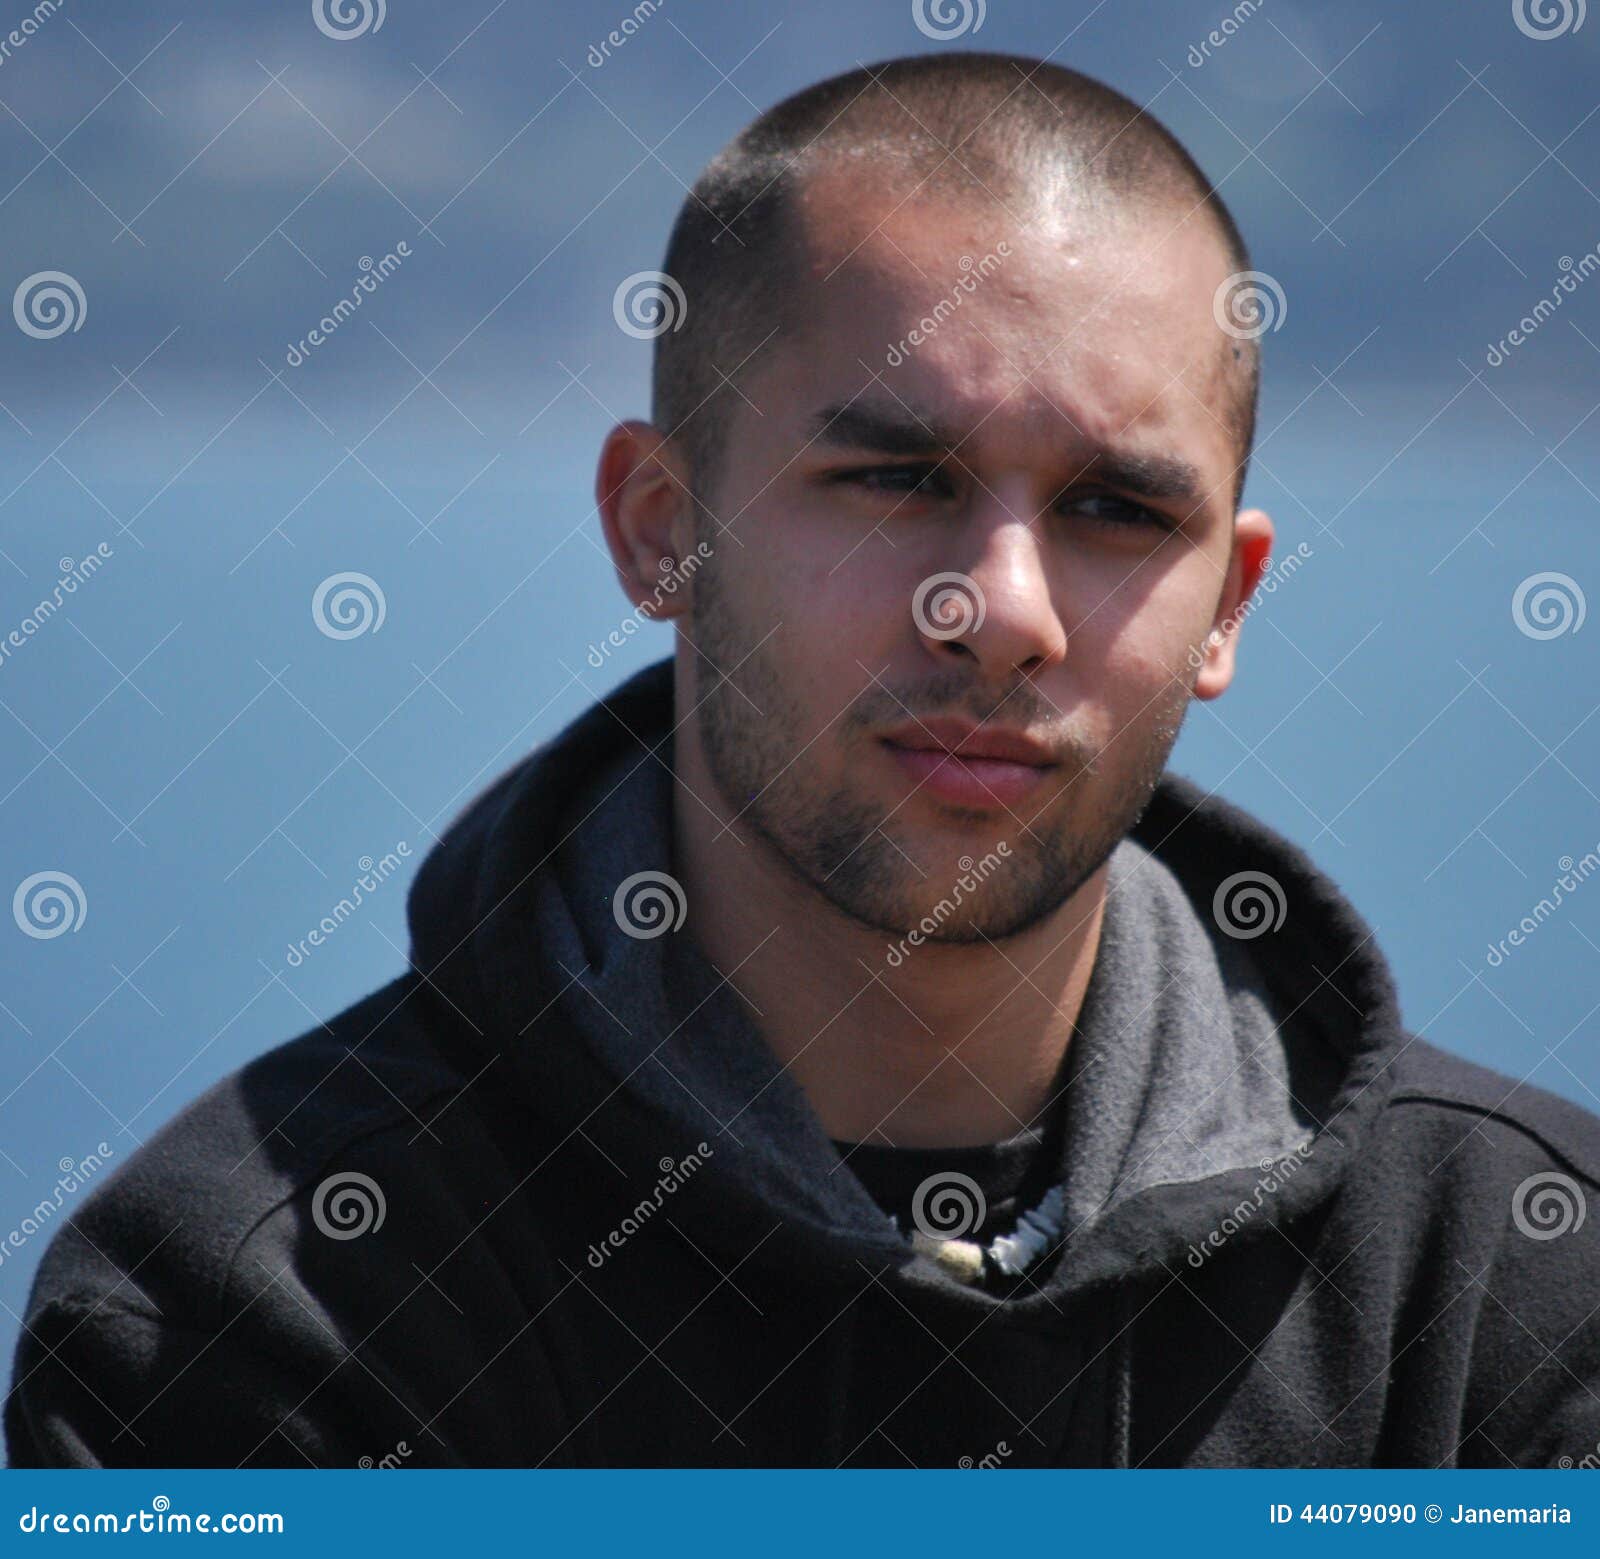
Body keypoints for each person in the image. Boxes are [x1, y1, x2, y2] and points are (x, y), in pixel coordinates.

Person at [8, 51, 1600, 1470]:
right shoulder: (261, 1306)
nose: (1005, 616)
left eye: (1120, 512)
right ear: (661, 529)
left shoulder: (1502, 1295)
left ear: (1227, 605)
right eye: (898, 476)